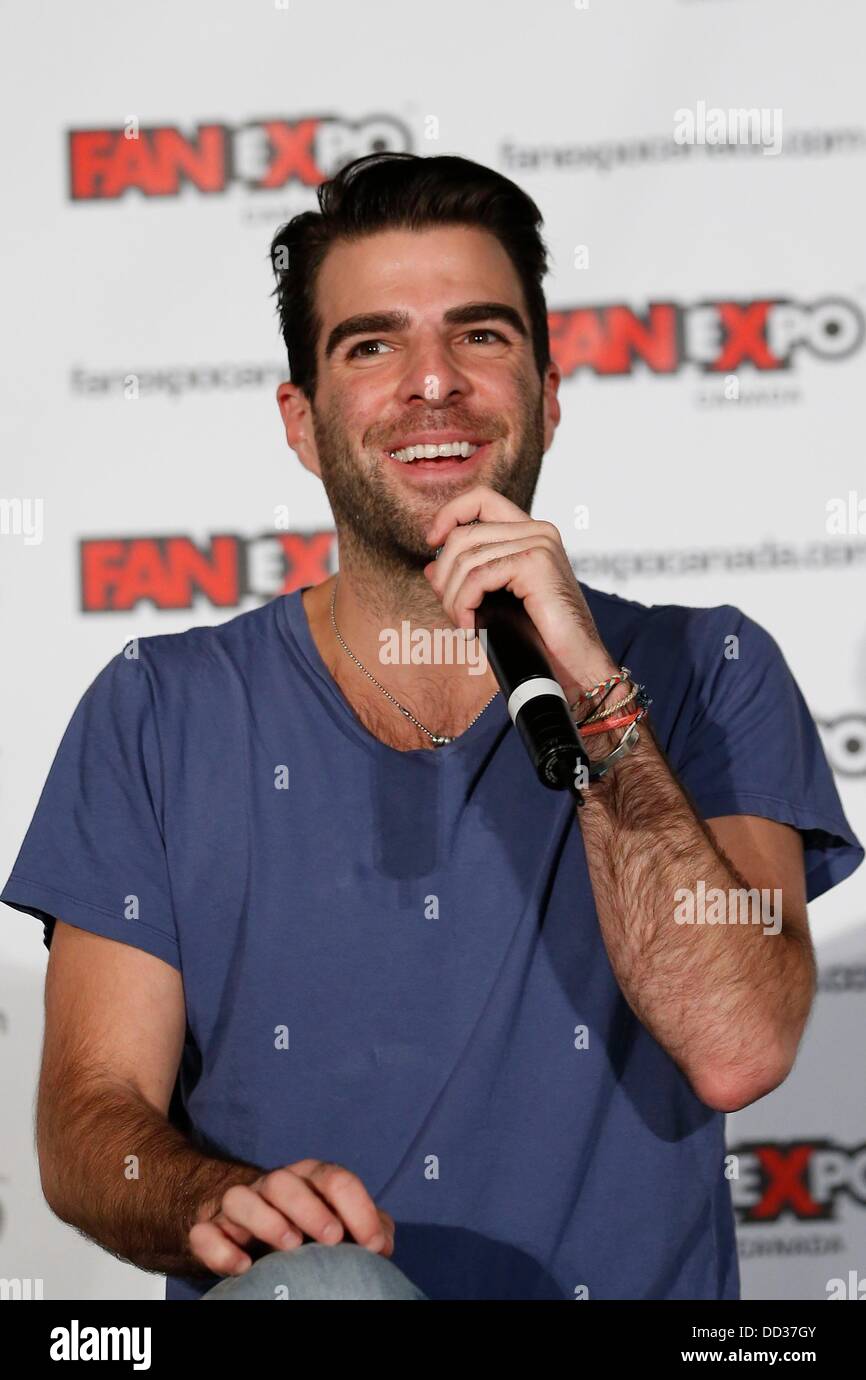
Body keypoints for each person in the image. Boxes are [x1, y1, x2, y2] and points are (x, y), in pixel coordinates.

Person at [2, 152, 862, 1302]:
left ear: (549, 392)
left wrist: (595, 694)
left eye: (481, 335)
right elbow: (88, 1125)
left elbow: (735, 1044)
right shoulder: (158, 707)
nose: (432, 384)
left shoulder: (705, 669)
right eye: (373, 344)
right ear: (301, 425)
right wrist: (205, 1198)